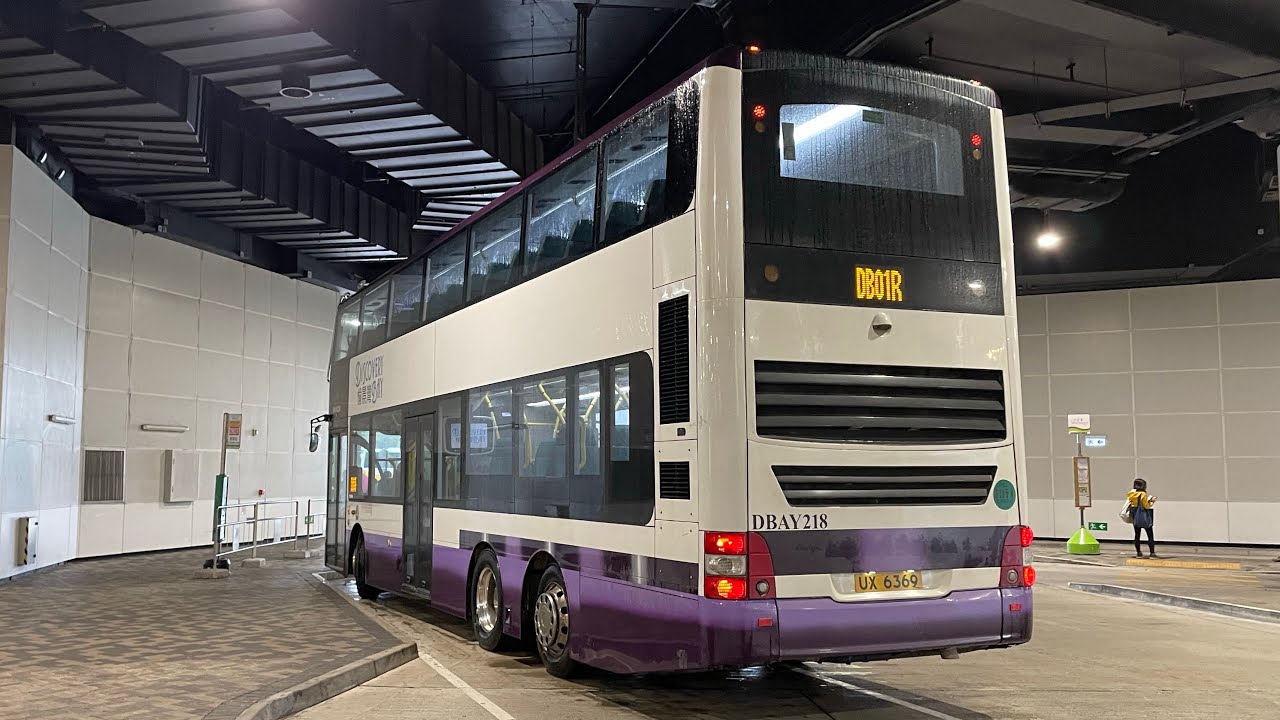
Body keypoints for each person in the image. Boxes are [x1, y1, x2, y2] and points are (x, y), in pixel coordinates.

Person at [1126, 479, 1158, 558]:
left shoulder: (1131, 494)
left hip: (1135, 517)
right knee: (1150, 535)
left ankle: (1138, 553)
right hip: (1144, 517)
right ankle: (1152, 553)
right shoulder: (1143, 494)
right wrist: (1152, 501)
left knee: (1137, 535)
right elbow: (1146, 506)